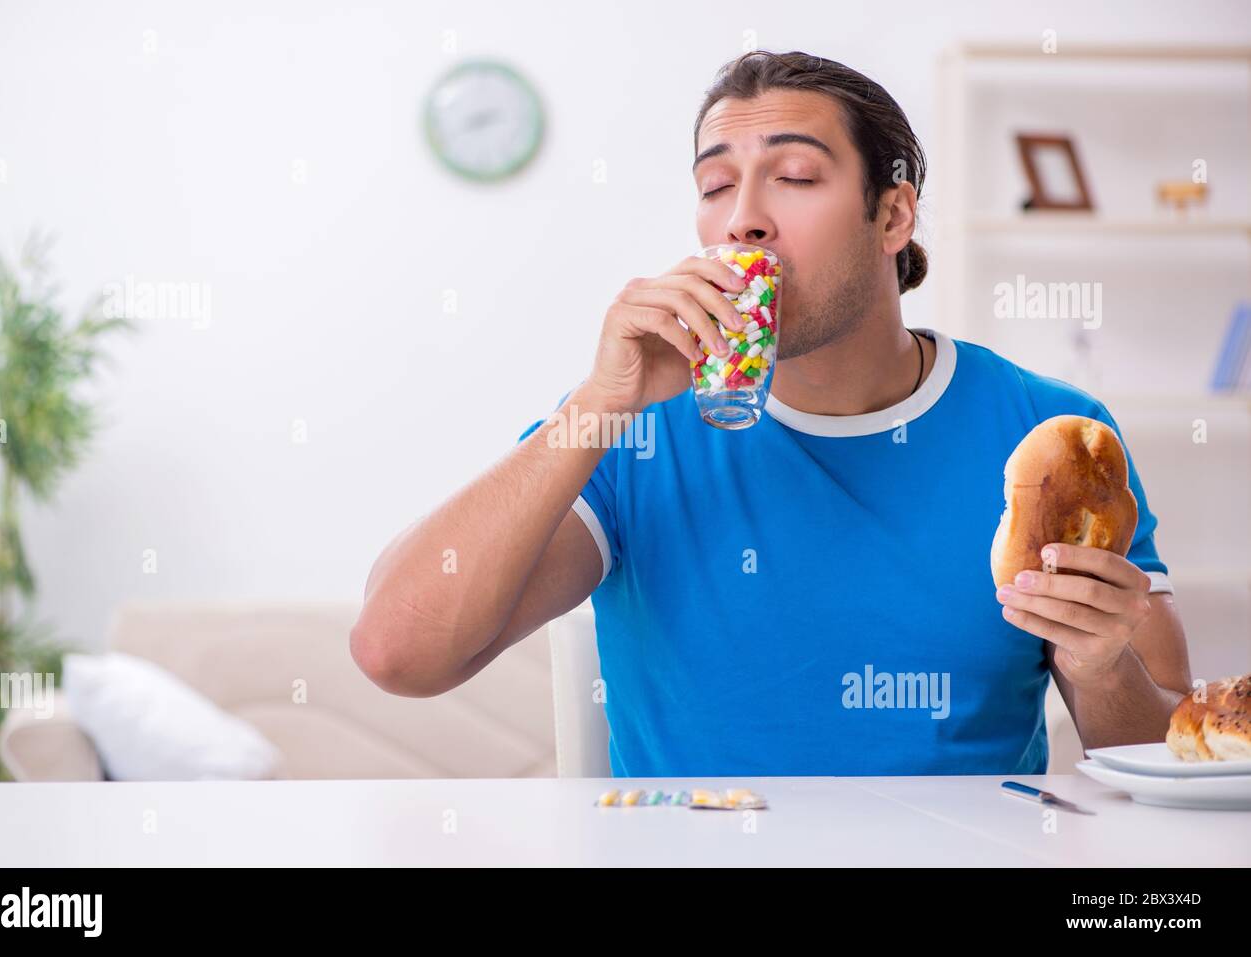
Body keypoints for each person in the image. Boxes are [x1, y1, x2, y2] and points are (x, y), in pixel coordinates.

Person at [351, 50, 1192, 776]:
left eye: (793, 178)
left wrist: (1104, 664)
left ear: (893, 214)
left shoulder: (1050, 437)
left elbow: (1168, 762)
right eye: (715, 186)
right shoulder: (629, 431)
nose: (743, 217)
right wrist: (598, 402)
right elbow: (397, 653)